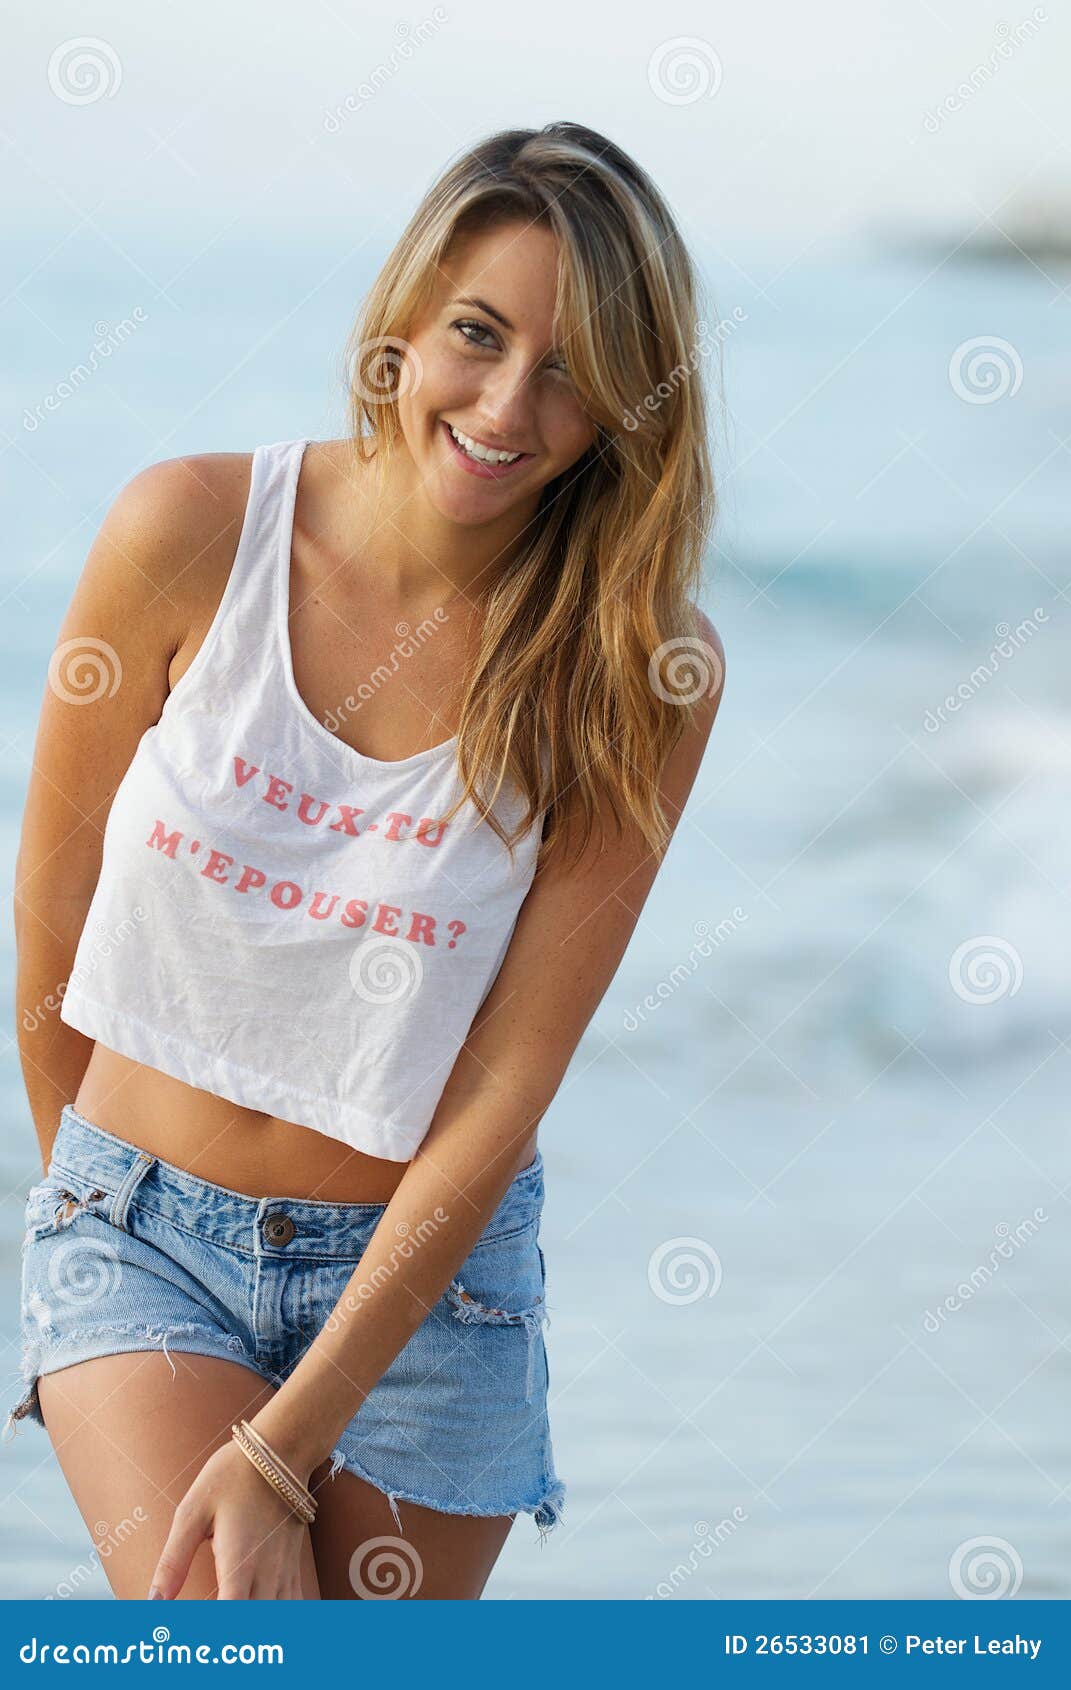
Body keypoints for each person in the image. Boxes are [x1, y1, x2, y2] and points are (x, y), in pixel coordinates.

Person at [7, 120, 725, 1600]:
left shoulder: (639, 667)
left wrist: (288, 1441)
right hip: (139, 1234)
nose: (510, 402)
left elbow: (507, 1081)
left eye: (574, 367)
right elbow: (47, 928)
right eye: (479, 332)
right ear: (402, 324)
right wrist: (82, 1215)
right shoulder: (189, 530)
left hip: (429, 1297)